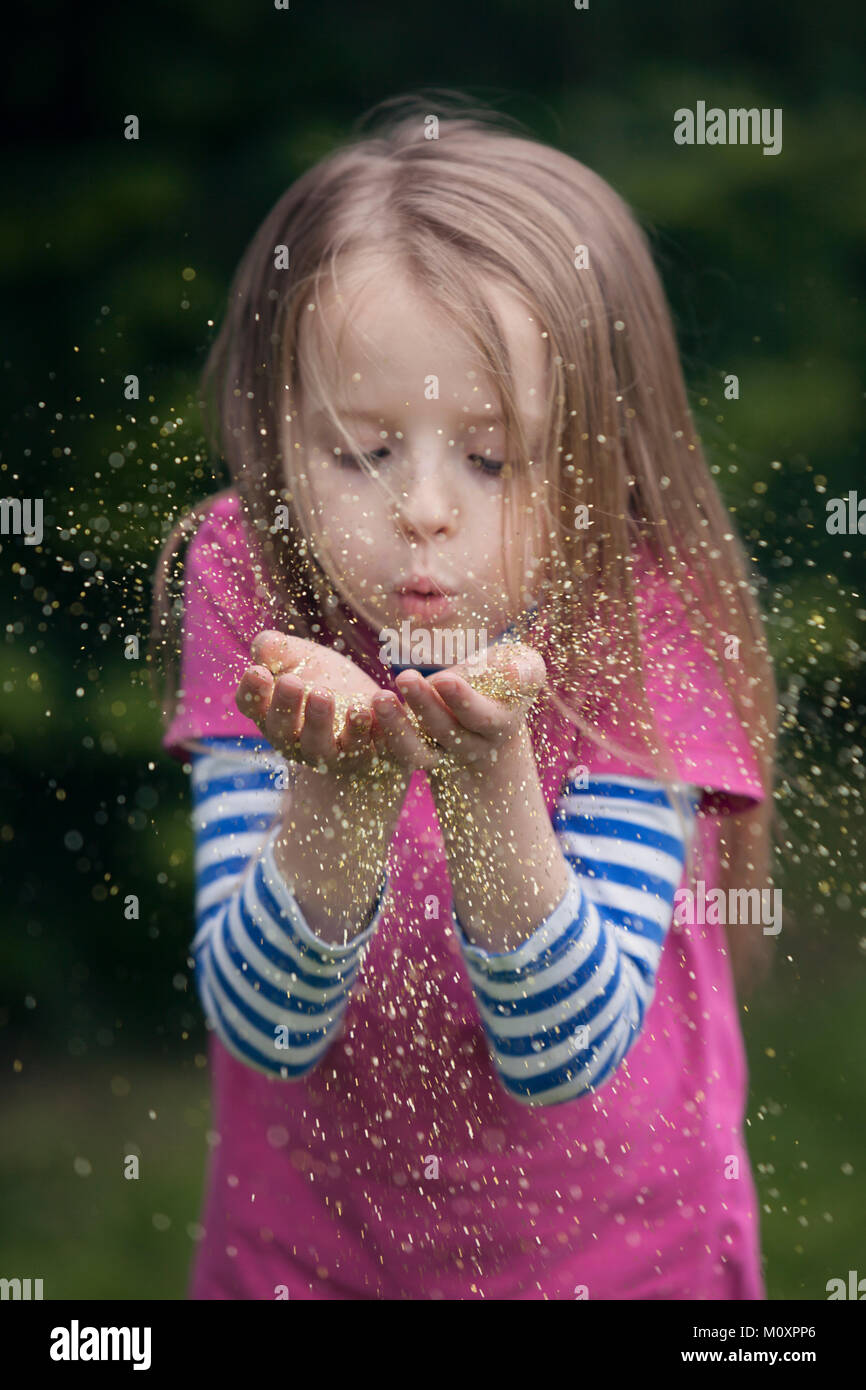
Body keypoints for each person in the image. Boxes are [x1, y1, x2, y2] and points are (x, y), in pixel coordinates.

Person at [152, 94, 778, 1300]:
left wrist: (488, 776)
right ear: (276, 435)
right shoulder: (252, 572)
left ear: (604, 449)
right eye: (361, 450)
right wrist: (340, 790)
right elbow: (265, 1024)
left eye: (492, 457)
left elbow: (564, 1050)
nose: (422, 506)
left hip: (611, 1260)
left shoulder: (637, 607)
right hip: (308, 1251)